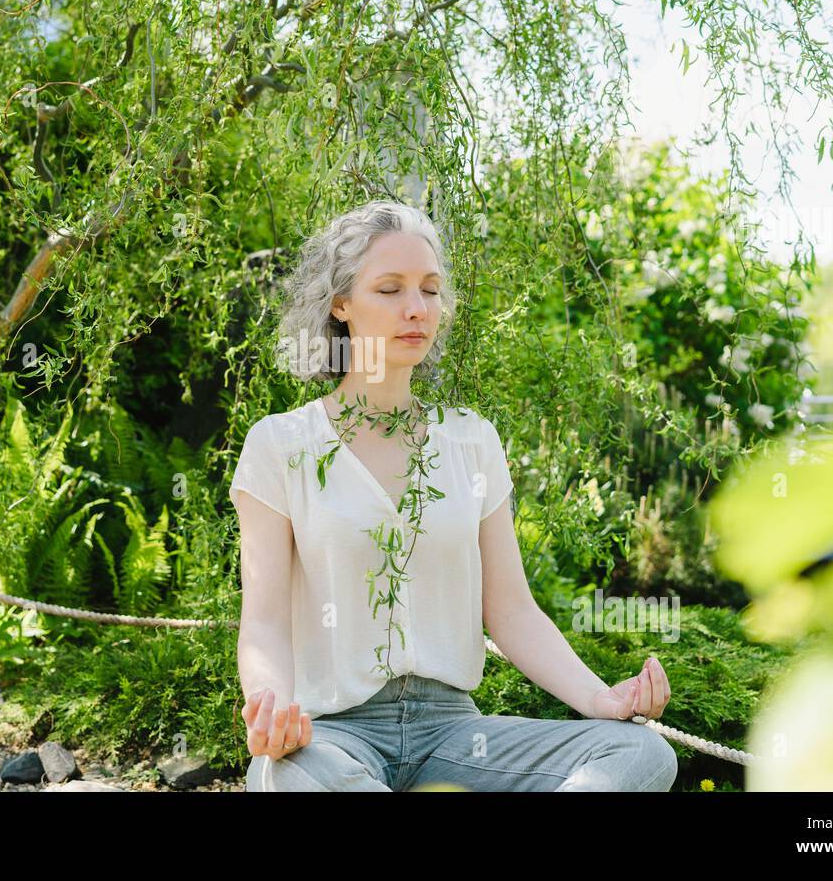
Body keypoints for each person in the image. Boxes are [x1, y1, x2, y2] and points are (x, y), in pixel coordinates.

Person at [230, 199, 677, 792]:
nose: (416, 309)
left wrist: (600, 698)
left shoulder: (471, 440)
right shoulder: (281, 444)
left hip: (458, 737)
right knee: (281, 776)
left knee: (639, 752)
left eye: (430, 290)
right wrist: (273, 711)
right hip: (333, 738)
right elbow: (262, 621)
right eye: (389, 289)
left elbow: (512, 611)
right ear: (341, 305)